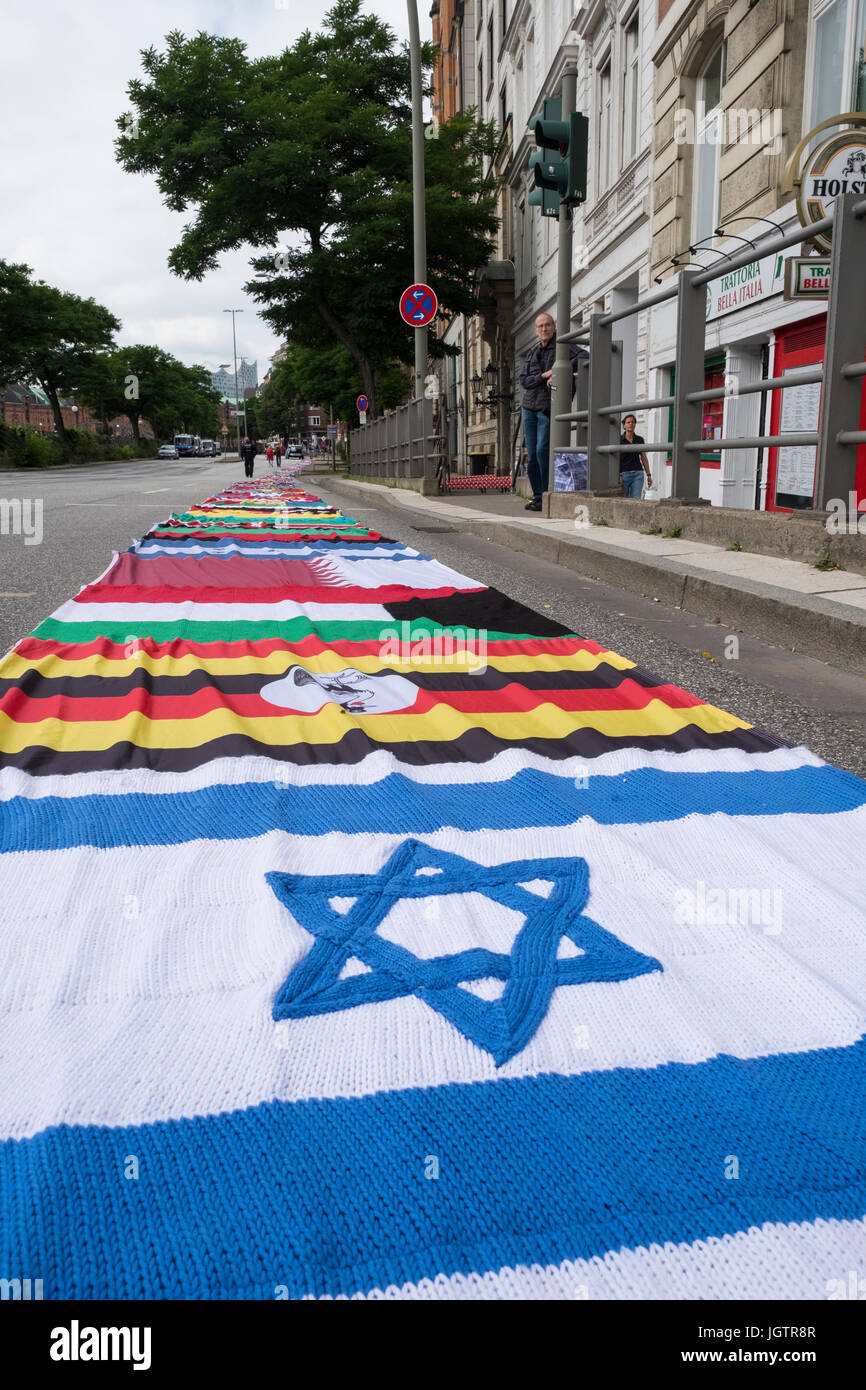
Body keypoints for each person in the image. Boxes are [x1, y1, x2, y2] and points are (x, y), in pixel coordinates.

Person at [519, 312, 589, 511]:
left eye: (547, 325)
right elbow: (524, 380)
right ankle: (538, 497)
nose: (544, 329)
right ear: (536, 330)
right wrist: (544, 376)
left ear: (554, 326)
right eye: (540, 326)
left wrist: (557, 371)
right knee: (531, 455)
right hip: (529, 408)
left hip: (548, 408)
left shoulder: (563, 347)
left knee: (543, 451)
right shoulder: (533, 352)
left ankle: (550, 493)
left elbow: (585, 356)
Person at [620, 414, 652, 498]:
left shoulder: (640, 439)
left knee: (636, 499)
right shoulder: (619, 440)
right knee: (624, 500)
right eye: (628, 422)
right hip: (623, 474)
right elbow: (615, 459)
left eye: (633, 422)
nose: (631, 424)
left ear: (635, 424)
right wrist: (617, 475)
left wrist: (649, 475)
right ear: (624, 425)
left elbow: (644, 457)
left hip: (637, 474)